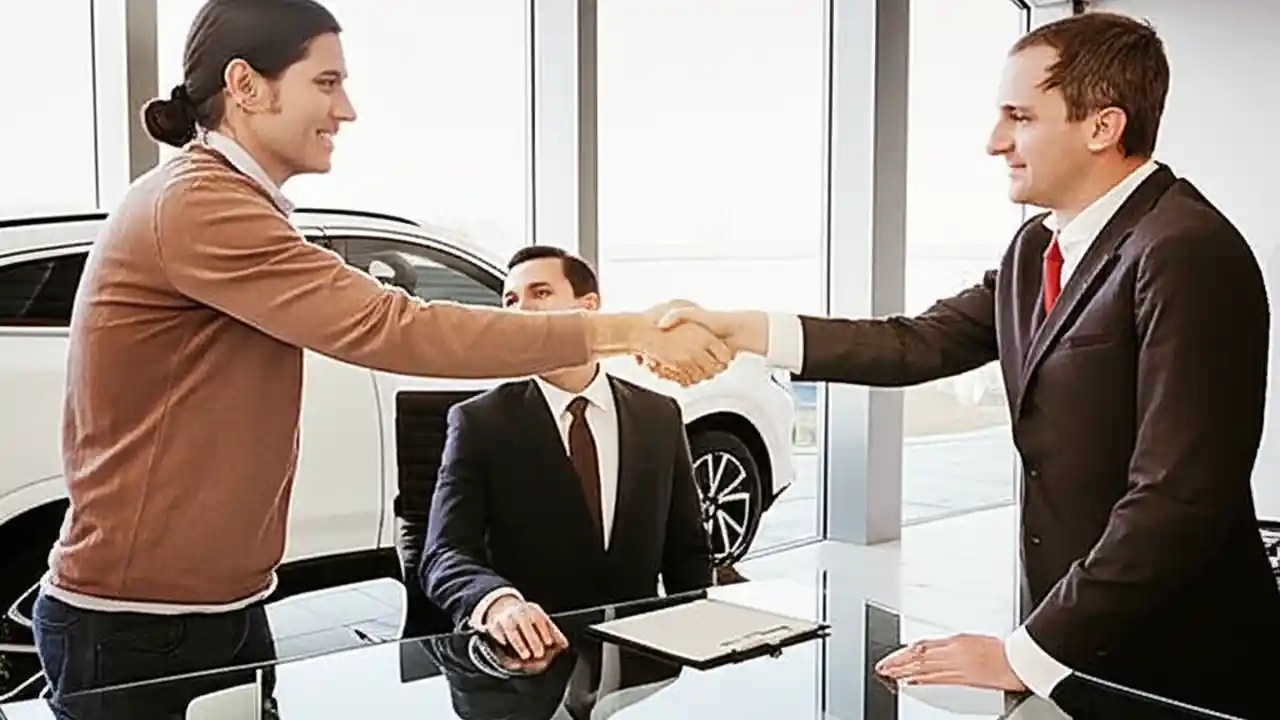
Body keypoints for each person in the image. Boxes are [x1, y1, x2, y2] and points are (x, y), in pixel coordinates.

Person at [30, 1, 727, 718]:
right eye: (326, 83)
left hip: (217, 612)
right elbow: (398, 327)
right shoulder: (198, 205)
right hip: (143, 628)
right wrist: (628, 331)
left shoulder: (233, 204)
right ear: (246, 85)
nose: (348, 109)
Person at [656, 11, 1280, 718]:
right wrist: (739, 330)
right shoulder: (1033, 252)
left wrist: (1022, 653)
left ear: (1102, 127)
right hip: (1076, 647)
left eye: (1020, 116)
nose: (995, 142)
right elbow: (912, 343)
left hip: (1179, 662)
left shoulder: (1186, 251)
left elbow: (1178, 498)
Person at [421, 246, 714, 664]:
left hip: (639, 666)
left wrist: (703, 645)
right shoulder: (480, 423)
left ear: (589, 308)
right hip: (530, 663)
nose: (520, 310)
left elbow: (688, 552)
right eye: (510, 300)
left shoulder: (659, 415)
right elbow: (444, 553)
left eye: (539, 293)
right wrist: (497, 603)